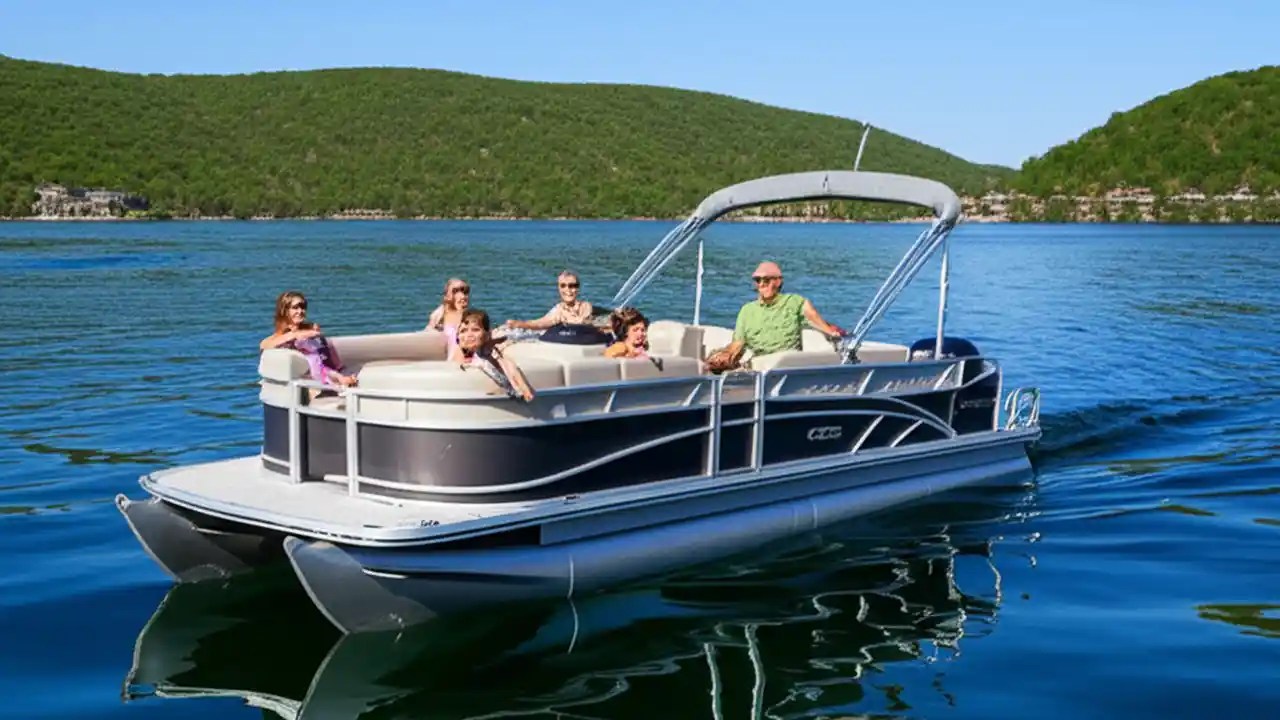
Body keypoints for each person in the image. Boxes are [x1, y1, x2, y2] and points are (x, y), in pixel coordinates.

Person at [705, 261, 844, 373]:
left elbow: (815, 318)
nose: (761, 284)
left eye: (766, 280)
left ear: (777, 282)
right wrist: (726, 355)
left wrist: (834, 333)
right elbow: (738, 343)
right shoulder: (747, 310)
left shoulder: (795, 302)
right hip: (761, 366)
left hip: (787, 365)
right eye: (757, 280)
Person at [259, 291, 357, 387]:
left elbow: (323, 362)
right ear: (284, 310)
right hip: (305, 384)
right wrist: (294, 335)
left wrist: (340, 377)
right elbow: (264, 346)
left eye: (303, 307)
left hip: (327, 375)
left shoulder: (311, 331)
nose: (300, 311)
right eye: (295, 308)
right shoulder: (281, 337)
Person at [450, 309, 536, 402]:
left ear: (487, 334)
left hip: (512, 337)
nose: (469, 335)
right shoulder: (461, 346)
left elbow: (508, 365)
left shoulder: (491, 347)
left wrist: (522, 387)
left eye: (475, 330)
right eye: (463, 331)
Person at [505, 270, 601, 330]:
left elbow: (585, 321)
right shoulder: (558, 310)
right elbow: (539, 323)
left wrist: (571, 319)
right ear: (559, 288)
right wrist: (520, 324)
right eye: (563, 286)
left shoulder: (586, 306)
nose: (568, 289)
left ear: (578, 288)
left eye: (572, 286)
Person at [426, 277, 471, 354]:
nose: (463, 296)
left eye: (465, 292)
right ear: (446, 296)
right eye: (455, 291)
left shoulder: (470, 315)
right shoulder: (438, 315)